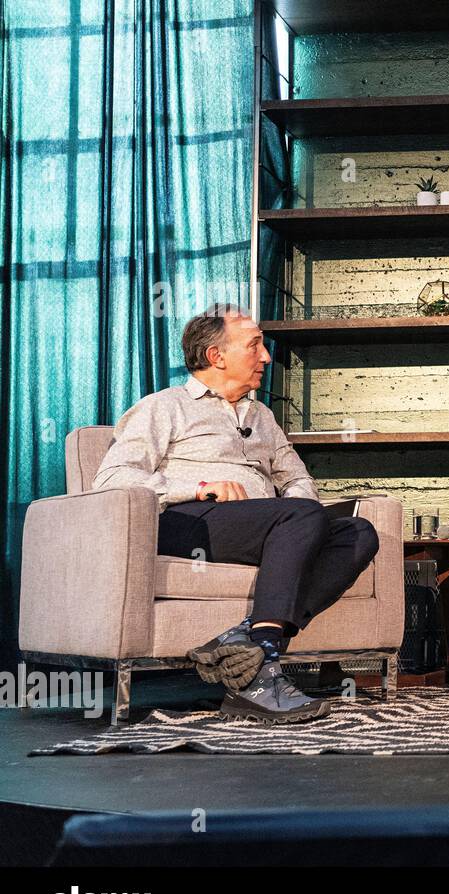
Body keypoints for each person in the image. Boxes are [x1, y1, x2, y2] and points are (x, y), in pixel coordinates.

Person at [92, 304, 379, 724]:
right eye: (255, 346)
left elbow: (297, 480)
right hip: (189, 523)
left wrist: (304, 513)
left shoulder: (262, 416)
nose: (266, 357)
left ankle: (244, 642)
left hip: (262, 526)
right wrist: (201, 488)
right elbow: (112, 478)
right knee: (300, 517)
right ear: (216, 356)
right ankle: (261, 673)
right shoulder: (164, 406)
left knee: (359, 531)